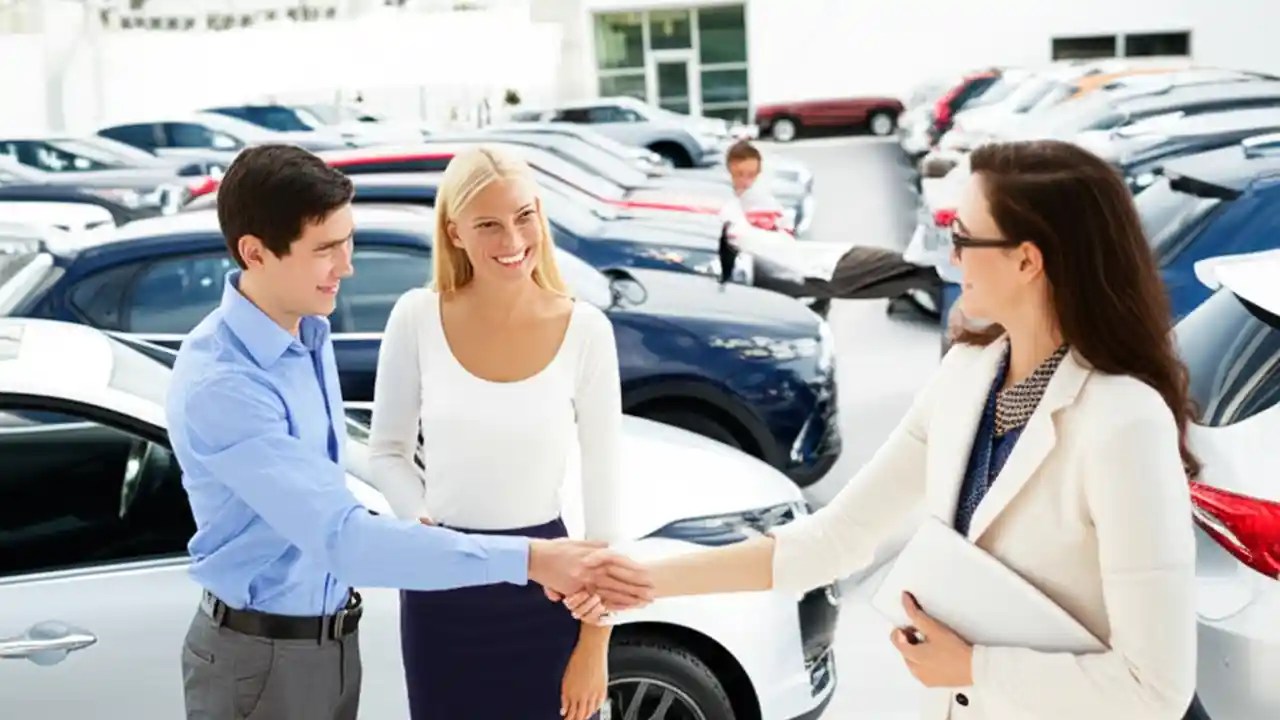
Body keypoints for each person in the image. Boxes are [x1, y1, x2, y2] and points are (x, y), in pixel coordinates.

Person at [575, 140, 1202, 720]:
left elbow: (1157, 691)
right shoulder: (968, 375)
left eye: (963, 235)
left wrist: (973, 667)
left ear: (1027, 260)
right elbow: (833, 539)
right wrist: (644, 579)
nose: (949, 255)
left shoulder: (1124, 423)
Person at [166, 144, 653, 720]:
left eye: (346, 242)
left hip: (336, 640)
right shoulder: (224, 384)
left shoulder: (305, 337)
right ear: (256, 253)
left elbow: (329, 477)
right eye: (326, 249)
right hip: (279, 648)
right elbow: (346, 533)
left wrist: (593, 632)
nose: (347, 266)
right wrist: (507, 551)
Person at [366, 145, 623, 720]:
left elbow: (605, 499)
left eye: (524, 216)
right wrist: (423, 523)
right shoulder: (416, 317)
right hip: (442, 592)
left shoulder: (586, 330)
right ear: (454, 231)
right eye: (488, 224)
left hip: (549, 590)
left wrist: (595, 643)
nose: (512, 241)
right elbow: (385, 452)